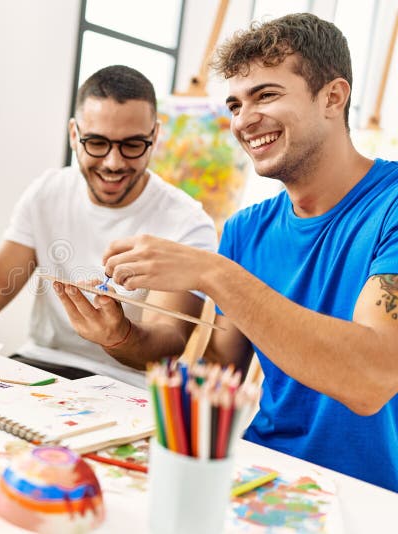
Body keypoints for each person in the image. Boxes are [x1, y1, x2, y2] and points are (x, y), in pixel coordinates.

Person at [101, 13, 398, 491]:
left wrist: (212, 272)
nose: (243, 120)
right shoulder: (246, 229)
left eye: (267, 95)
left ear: (333, 97)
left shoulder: (391, 206)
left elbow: (372, 378)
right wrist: (122, 336)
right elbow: (216, 380)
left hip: (370, 495)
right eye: (235, 104)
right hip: (261, 473)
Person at [0, 66, 216, 386]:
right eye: (97, 143)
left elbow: (169, 339)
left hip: (124, 385)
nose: (114, 163)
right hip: (39, 366)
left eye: (132, 145)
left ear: (155, 136)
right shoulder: (48, 191)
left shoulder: (186, 223)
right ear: (74, 134)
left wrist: (120, 336)